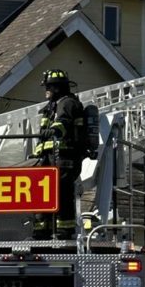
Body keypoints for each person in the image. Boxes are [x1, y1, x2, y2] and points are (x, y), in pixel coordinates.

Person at [32, 68, 86, 239]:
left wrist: (55, 130)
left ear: (57, 87)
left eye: (48, 86)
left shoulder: (67, 103)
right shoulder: (51, 106)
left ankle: (64, 229)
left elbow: (63, 122)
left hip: (64, 157)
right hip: (49, 158)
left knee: (61, 193)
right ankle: (42, 229)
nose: (46, 90)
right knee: (42, 192)